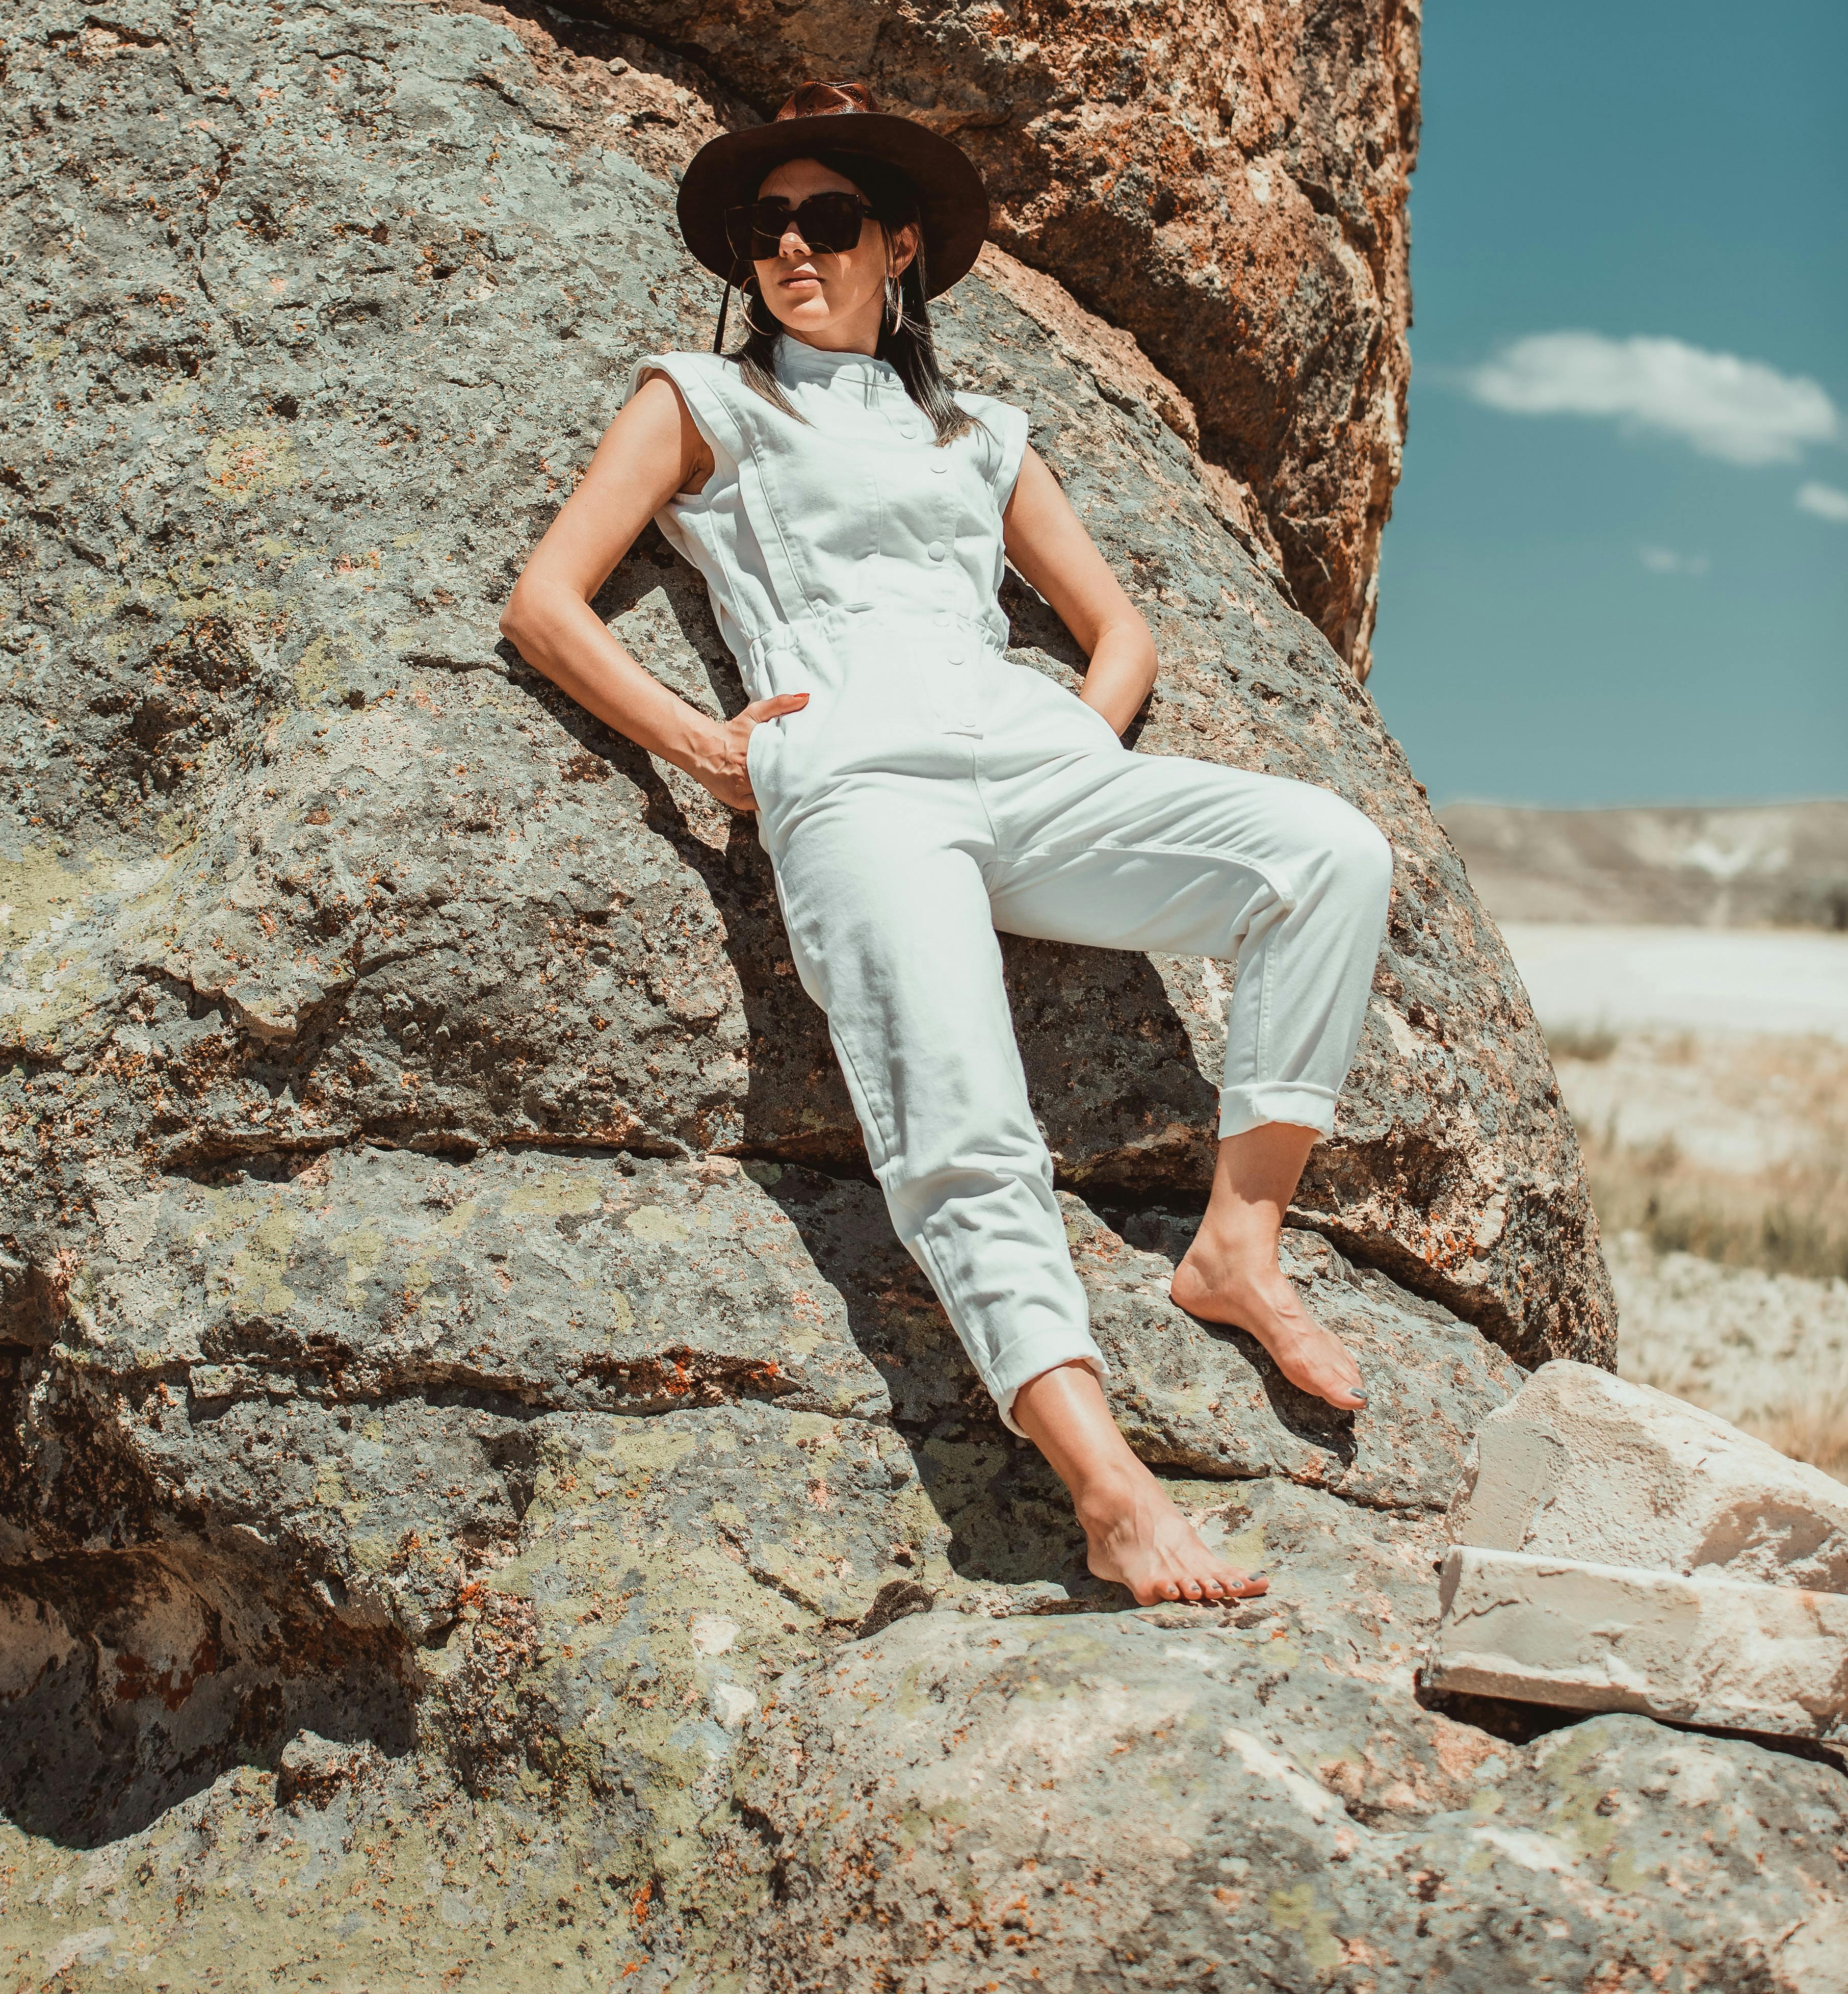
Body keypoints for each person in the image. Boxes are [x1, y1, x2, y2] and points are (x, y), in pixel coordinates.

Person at [500, 83, 1394, 1605]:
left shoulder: (977, 432)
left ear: (897, 249)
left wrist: (1079, 745)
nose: (791, 247)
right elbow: (545, 603)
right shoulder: (706, 401)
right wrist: (706, 744)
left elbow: (1118, 625)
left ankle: (1238, 1247)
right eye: (766, 228)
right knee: (963, 1125)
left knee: (1326, 855)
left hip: (1029, 767)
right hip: (857, 784)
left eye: (827, 221)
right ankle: (1110, 1495)